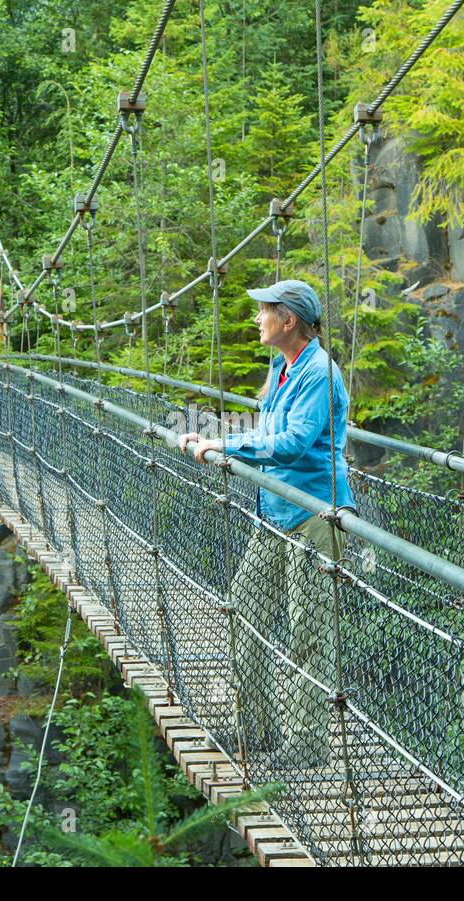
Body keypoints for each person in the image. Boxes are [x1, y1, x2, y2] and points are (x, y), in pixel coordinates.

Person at [176, 278, 355, 771]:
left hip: (317, 514)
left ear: (288, 320)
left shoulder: (318, 371)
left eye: (264, 311)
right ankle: (254, 724)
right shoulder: (281, 366)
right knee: (245, 610)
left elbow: (295, 442)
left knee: (308, 632)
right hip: (274, 509)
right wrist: (215, 436)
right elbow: (267, 431)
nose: (257, 318)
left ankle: (306, 743)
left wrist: (225, 447)